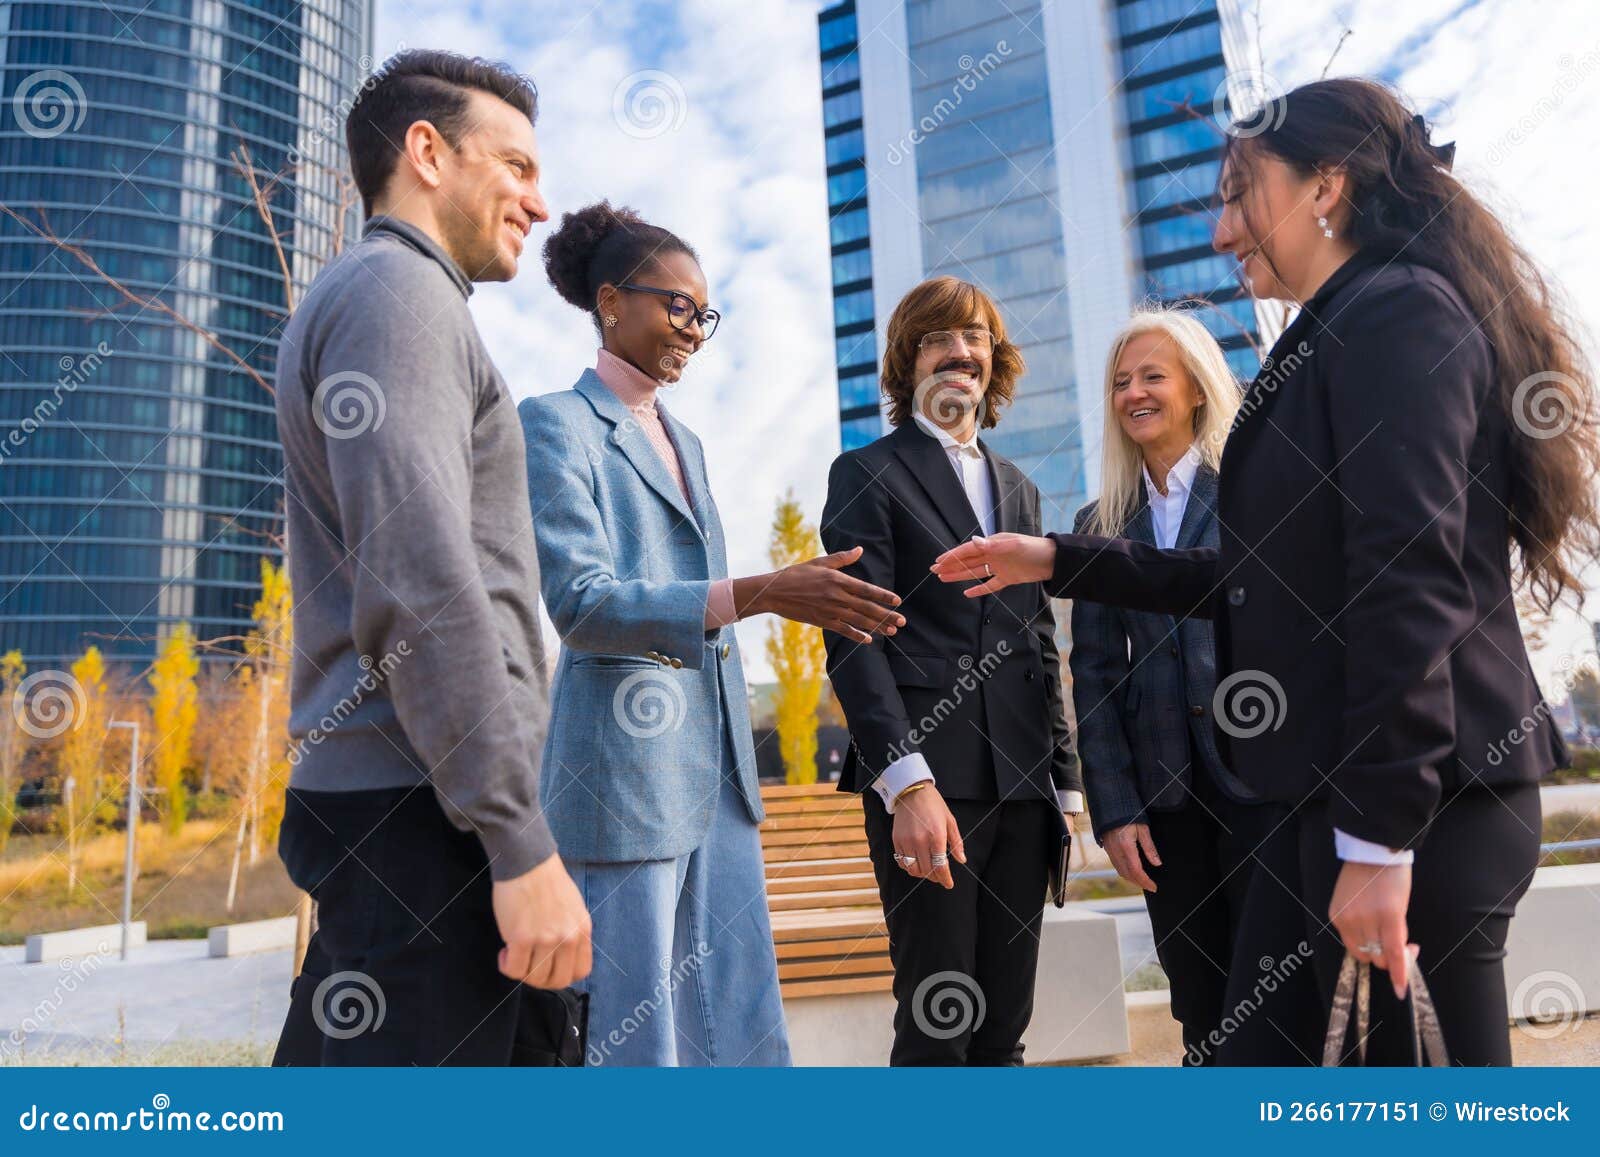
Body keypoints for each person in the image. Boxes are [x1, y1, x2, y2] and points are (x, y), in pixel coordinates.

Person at [931, 78, 1596, 1066]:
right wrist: (1057, 558)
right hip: (1352, 799)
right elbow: (1260, 576)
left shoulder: (1393, 315)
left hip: (1417, 802)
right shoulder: (1340, 327)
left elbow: (1407, 580)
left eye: (1240, 193)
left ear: (1326, 187)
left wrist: (1378, 840)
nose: (1219, 230)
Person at [520, 201, 905, 1066]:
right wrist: (764, 590)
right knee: (636, 1034)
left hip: (722, 779)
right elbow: (583, 602)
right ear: (612, 301)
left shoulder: (686, 440)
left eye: (706, 313)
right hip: (623, 779)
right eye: (678, 305)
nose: (695, 328)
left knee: (737, 1024)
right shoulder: (554, 424)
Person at [270, 51, 591, 1066]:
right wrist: (514, 836)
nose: (540, 203)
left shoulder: (397, 298)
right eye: (517, 166)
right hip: (423, 821)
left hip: (418, 807)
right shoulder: (398, 296)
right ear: (427, 153)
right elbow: (422, 582)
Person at [820, 276, 1085, 1066]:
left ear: (992, 362)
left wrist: (1063, 784)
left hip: (1025, 788)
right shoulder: (865, 471)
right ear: (910, 362)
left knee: (1004, 1027)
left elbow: (1042, 641)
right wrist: (907, 783)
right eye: (939, 338)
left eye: (975, 339)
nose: (960, 352)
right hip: (931, 782)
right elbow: (853, 636)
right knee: (940, 1020)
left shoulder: (1022, 489)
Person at [1068, 307, 1270, 1065]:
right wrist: (1114, 810)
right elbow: (1092, 673)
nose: (1134, 393)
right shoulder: (1102, 521)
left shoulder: (1253, 490)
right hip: (1164, 807)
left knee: (1280, 998)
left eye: (1153, 375)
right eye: (1121, 381)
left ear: (1195, 388)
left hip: (1263, 791)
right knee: (1201, 1008)